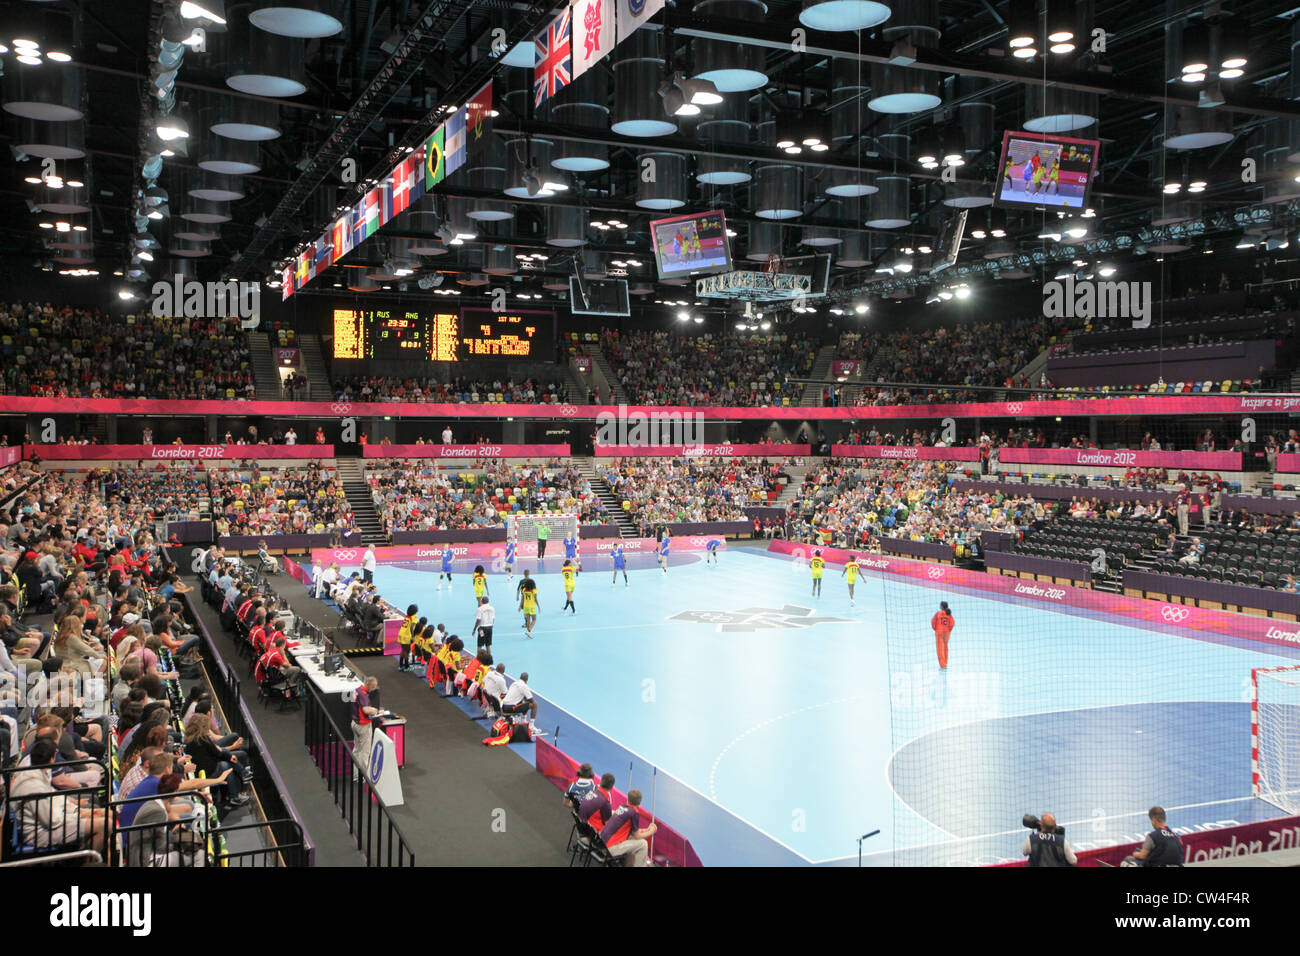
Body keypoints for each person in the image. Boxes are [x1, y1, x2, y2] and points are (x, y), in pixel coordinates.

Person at [601, 789, 658, 867]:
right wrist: (652, 831)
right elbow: (638, 836)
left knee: (633, 839)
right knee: (643, 844)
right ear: (639, 802)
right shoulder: (633, 813)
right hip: (610, 848)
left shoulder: (622, 807)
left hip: (601, 843)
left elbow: (633, 832)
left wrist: (646, 830)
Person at [350, 676, 380, 781]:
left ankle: (356, 775)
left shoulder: (357, 690)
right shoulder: (363, 694)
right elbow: (366, 710)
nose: (372, 689)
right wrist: (375, 711)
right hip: (363, 726)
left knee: (357, 750)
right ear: (367, 683)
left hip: (354, 723)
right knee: (365, 752)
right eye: (372, 687)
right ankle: (363, 776)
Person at [931, 601, 954, 670]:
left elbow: (933, 622)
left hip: (939, 633)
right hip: (946, 633)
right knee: (945, 648)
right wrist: (948, 630)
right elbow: (952, 624)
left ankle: (943, 665)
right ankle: (945, 663)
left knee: (940, 649)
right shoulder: (949, 614)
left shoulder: (938, 614)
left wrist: (936, 629)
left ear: (941, 606)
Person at [397, 606, 420, 671]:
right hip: (406, 635)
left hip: (401, 633)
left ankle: (401, 665)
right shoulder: (414, 617)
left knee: (403, 650)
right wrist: (412, 636)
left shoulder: (407, 616)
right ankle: (407, 667)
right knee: (406, 651)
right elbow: (411, 627)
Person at [519, 572, 539, 637]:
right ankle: (528, 631)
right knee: (534, 619)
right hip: (532, 607)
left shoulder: (524, 590)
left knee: (528, 620)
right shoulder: (534, 590)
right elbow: (535, 599)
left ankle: (528, 633)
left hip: (525, 607)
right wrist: (538, 606)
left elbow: (522, 599)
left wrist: (520, 606)